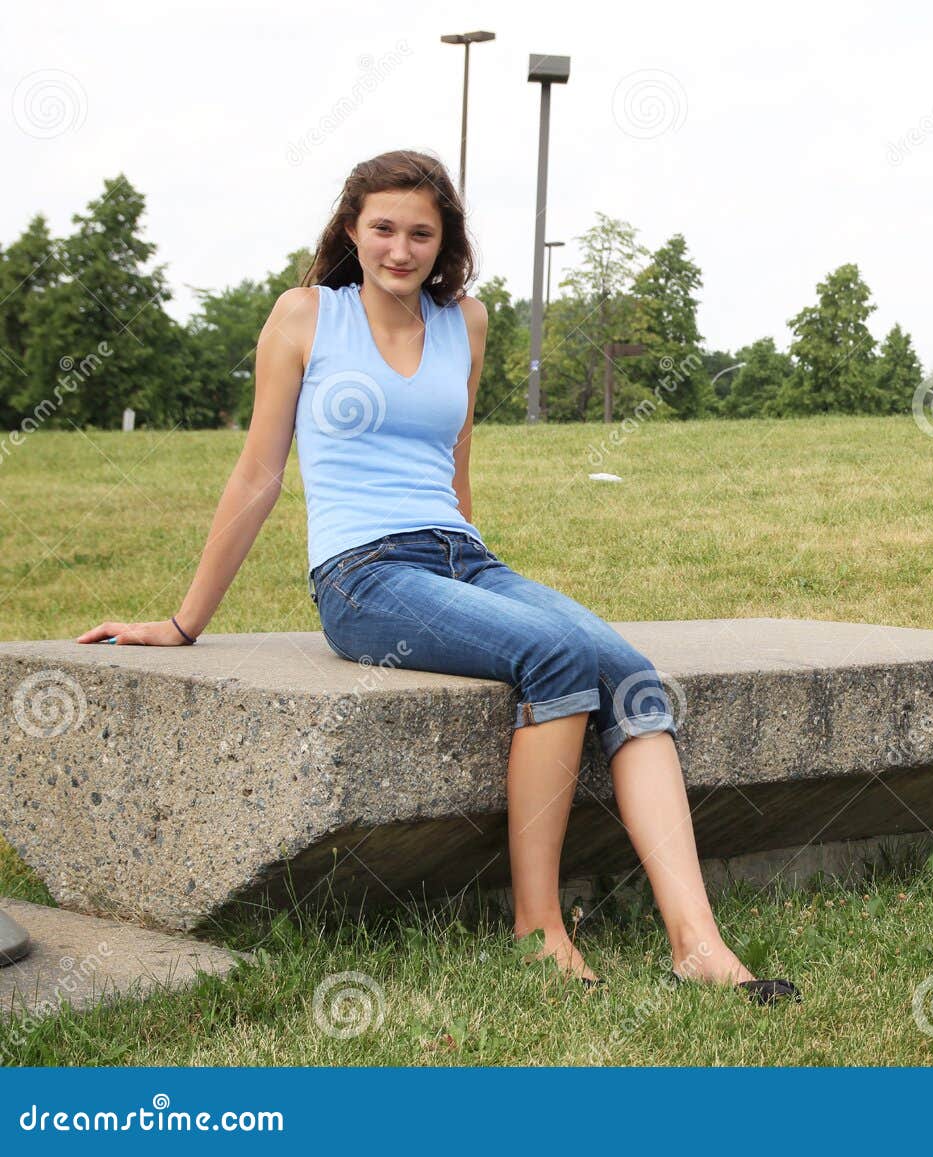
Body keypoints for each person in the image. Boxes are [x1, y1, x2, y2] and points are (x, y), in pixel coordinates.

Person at [76, 149, 798, 1006]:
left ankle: (698, 942)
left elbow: (454, 470)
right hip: (362, 576)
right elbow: (257, 476)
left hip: (460, 557)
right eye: (383, 227)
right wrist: (183, 622)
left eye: (422, 231)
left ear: (444, 239)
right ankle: (539, 928)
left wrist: (480, 575)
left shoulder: (468, 322)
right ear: (352, 228)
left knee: (633, 678)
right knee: (557, 658)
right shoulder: (305, 317)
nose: (401, 248)